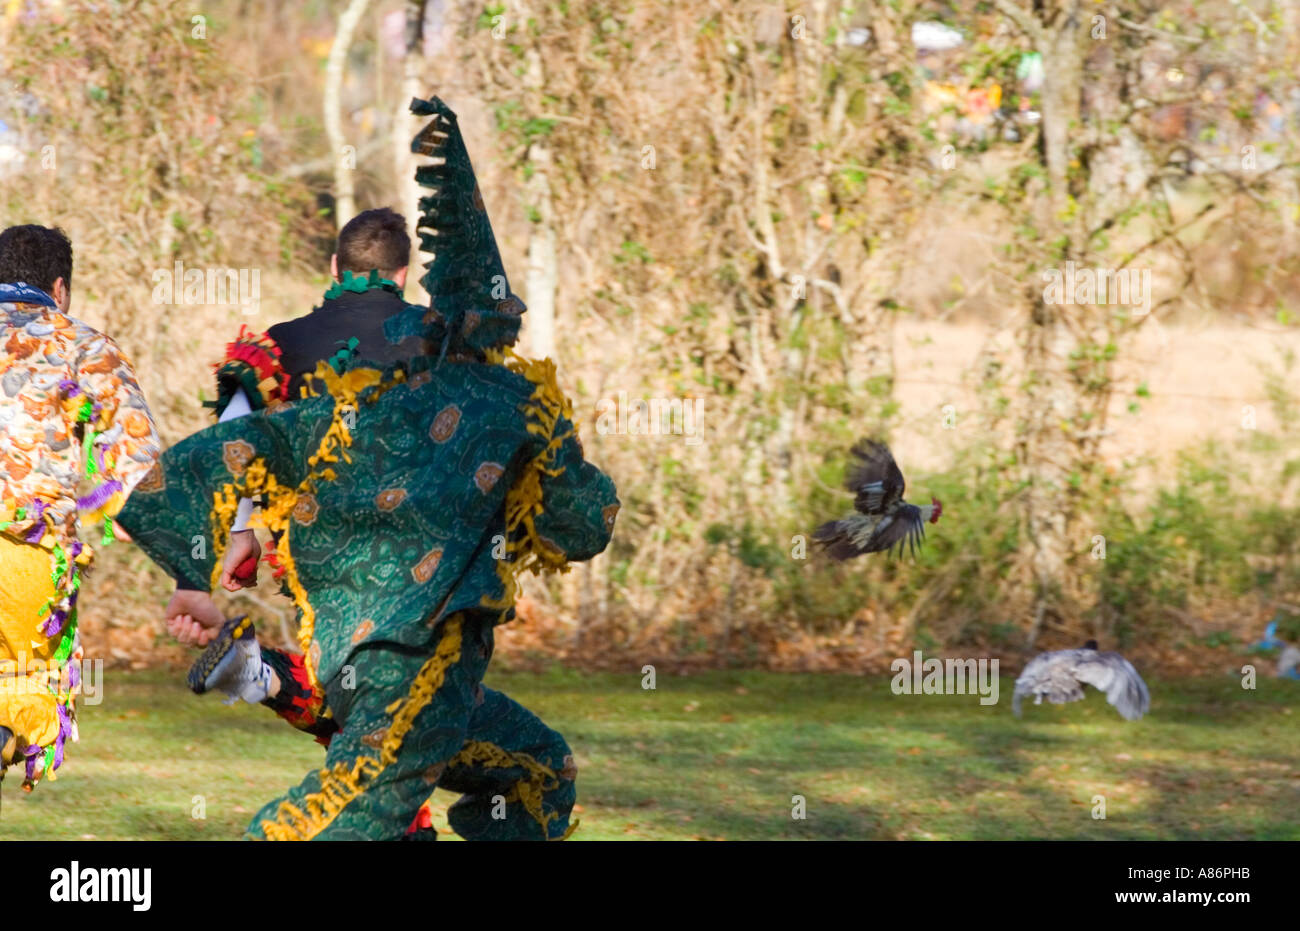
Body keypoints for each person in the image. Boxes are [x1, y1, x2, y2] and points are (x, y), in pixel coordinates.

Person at [117, 95, 619, 840]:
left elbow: (230, 443)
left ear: (335, 266)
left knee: (519, 763)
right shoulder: (496, 394)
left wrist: (214, 559)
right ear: (409, 279)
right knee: (361, 788)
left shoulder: (299, 363)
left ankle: (256, 674)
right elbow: (581, 523)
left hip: (325, 592)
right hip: (419, 635)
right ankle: (261, 680)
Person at [0, 224, 161, 791]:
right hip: (29, 557)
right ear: (60, 287)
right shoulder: (85, 347)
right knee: (18, 695)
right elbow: (138, 467)